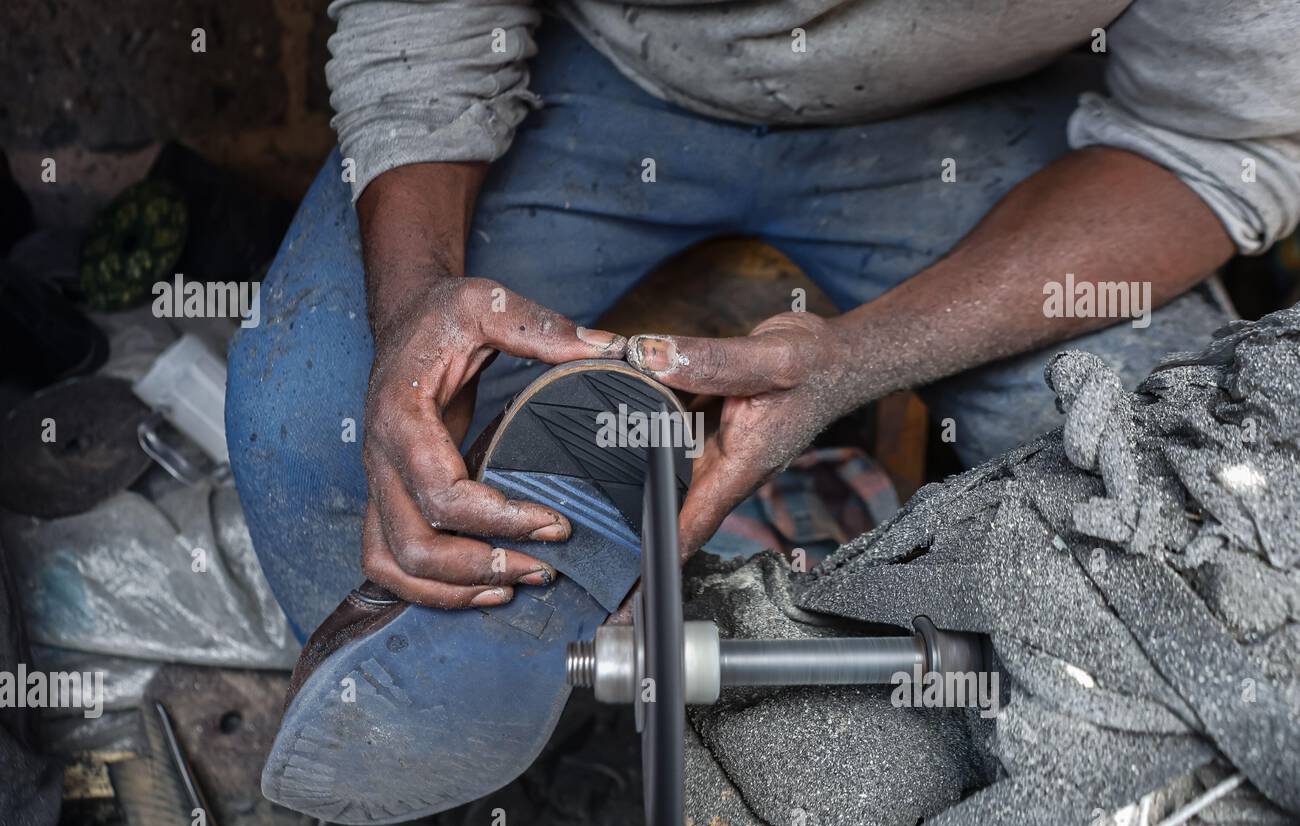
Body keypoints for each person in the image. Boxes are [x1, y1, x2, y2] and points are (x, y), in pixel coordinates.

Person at [227, 1, 1300, 641]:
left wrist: (858, 359)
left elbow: (1214, 140)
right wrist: (416, 302)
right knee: (316, 433)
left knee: (1161, 500)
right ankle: (448, 783)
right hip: (602, 71)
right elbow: (426, 25)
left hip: (986, 110)